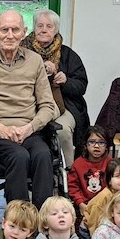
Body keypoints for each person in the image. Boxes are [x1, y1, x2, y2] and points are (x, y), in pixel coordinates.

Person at [0, 10, 59, 208]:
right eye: (4, 29)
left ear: (24, 32)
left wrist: (30, 128)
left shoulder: (34, 61)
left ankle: (42, 220)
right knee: (19, 155)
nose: (10, 35)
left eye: (15, 30)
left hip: (29, 131)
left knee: (43, 155)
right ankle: (19, 218)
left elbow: (48, 106)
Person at [24, 9, 89, 165]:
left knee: (63, 130)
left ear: (56, 30)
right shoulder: (23, 52)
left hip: (63, 106)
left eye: (49, 26)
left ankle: (68, 172)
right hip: (28, 104)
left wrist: (64, 80)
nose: (44, 30)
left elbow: (81, 87)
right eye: (39, 26)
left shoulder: (68, 55)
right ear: (34, 28)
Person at [81, 158, 120, 239]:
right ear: (109, 180)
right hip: (90, 230)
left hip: (113, 228)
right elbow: (94, 222)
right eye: (118, 176)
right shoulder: (105, 196)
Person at [67, 126, 110, 221]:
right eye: (92, 142)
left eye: (101, 143)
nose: (97, 146)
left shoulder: (110, 162)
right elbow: (73, 187)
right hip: (85, 205)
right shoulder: (78, 164)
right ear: (85, 145)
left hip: (106, 205)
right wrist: (81, 204)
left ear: (107, 146)